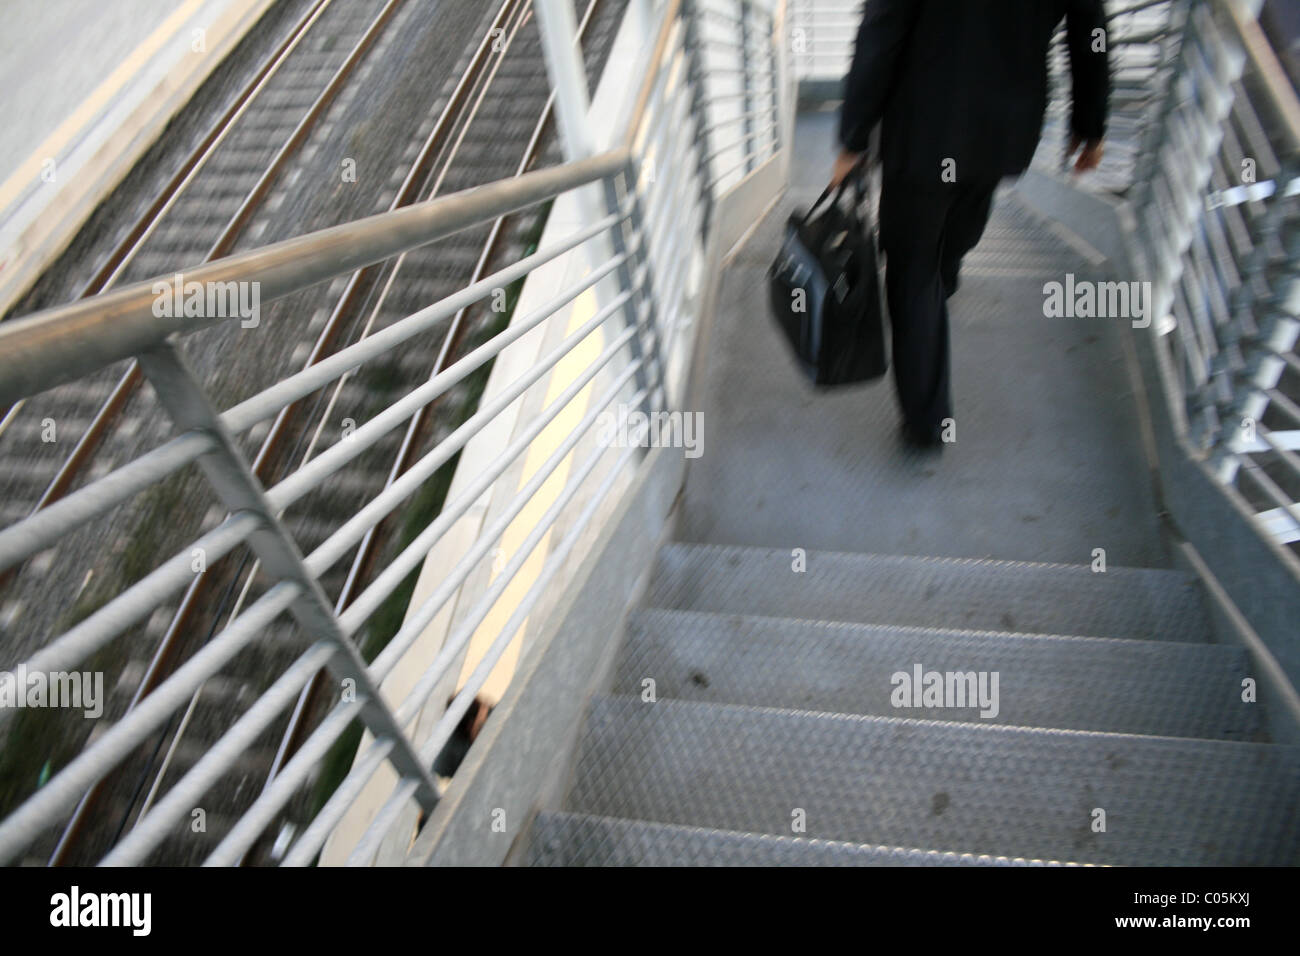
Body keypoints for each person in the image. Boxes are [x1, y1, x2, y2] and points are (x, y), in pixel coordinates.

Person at [831, 0, 1110, 447]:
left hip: (924, 126)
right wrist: (1091, 125)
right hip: (1004, 129)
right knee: (968, 201)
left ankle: (927, 420)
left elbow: (881, 29)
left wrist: (853, 137)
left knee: (912, 267)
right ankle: (947, 270)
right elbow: (1088, 29)